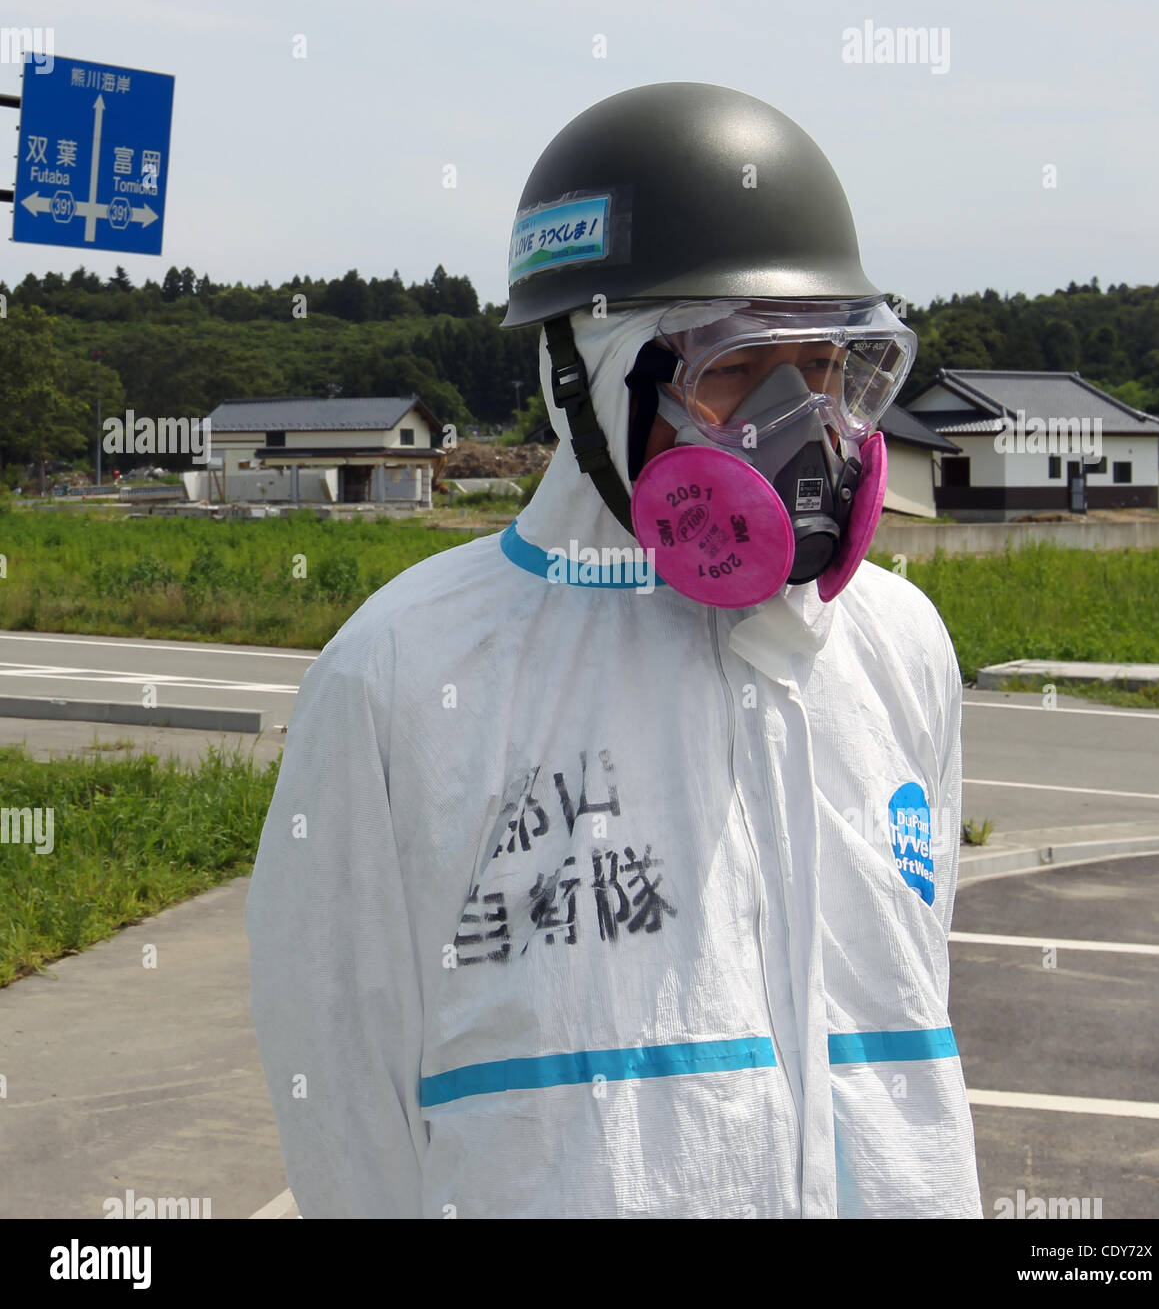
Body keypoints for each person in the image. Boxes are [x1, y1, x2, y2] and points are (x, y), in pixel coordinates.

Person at [245, 81, 982, 1219]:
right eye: (733, 373)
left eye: (828, 372)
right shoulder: (406, 675)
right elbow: (344, 1091)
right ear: (580, 386)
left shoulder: (893, 644)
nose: (799, 432)